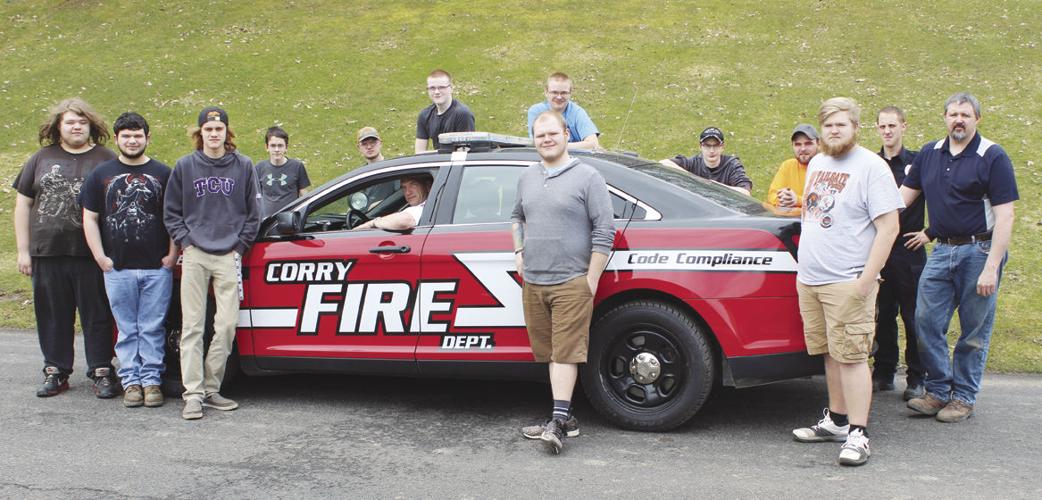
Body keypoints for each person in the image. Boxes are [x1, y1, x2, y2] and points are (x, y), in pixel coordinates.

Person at [791, 97, 902, 467]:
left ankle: (858, 433)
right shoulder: (818, 162)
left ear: (855, 127)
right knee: (830, 353)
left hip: (848, 280)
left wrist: (865, 281)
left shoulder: (872, 167)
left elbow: (889, 228)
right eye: (828, 125)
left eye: (841, 124)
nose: (834, 130)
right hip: (812, 279)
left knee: (852, 357)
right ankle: (837, 421)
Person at [901, 92, 1018, 423]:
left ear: (977, 119)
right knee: (925, 319)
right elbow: (901, 200)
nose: (959, 120)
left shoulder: (992, 156)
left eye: (965, 115)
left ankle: (963, 397)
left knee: (973, 329)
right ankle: (938, 391)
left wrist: (991, 268)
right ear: (944, 117)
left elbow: (1005, 216)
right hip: (941, 250)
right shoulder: (929, 153)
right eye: (953, 114)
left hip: (980, 251)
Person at [512, 111, 615, 455]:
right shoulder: (526, 177)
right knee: (549, 353)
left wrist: (591, 280)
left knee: (564, 354)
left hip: (572, 281)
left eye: (552, 133)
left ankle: (555, 423)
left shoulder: (588, 176)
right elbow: (516, 216)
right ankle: (567, 418)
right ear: (534, 138)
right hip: (535, 282)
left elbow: (604, 230)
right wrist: (518, 249)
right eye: (540, 135)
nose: (546, 140)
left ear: (566, 134)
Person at [12, 97, 119, 399]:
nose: (76, 126)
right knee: (52, 314)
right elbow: (23, 204)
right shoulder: (40, 159)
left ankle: (102, 370)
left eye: (82, 122)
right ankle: (55, 371)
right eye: (70, 121)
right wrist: (23, 250)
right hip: (47, 251)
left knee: (97, 314)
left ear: (91, 126)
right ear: (59, 126)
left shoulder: (105, 159)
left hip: (92, 254)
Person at [164, 106, 261, 420]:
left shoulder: (244, 166)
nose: (214, 134)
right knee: (192, 326)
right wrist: (186, 241)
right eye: (208, 129)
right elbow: (172, 212)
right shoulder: (185, 166)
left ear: (227, 133)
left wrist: (239, 246)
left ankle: (211, 388)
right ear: (200, 133)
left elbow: (253, 213)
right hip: (194, 254)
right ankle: (192, 395)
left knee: (227, 325)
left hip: (229, 253)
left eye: (219, 129)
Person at [80, 112, 176, 408]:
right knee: (126, 327)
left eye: (137, 135)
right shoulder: (101, 174)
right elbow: (90, 218)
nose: (132, 140)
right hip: (117, 267)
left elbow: (174, 218)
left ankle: (151, 381)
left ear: (147, 137)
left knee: (152, 326)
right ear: (117, 138)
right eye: (126, 136)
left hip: (155, 268)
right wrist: (100, 257)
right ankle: (131, 381)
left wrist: (172, 255)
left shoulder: (164, 173)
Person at [871, 106, 926, 400]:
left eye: (893, 125)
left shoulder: (917, 164)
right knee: (883, 314)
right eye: (883, 126)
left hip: (909, 251)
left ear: (904, 126)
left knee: (913, 316)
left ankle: (917, 378)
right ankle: (883, 372)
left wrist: (932, 232)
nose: (888, 131)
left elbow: (942, 197)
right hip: (879, 249)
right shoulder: (871, 164)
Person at [660, 127, 752, 195]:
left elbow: (745, 192)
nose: (711, 151)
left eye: (715, 146)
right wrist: (695, 179)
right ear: (700, 147)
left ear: (722, 147)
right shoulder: (694, 162)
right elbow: (663, 163)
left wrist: (714, 186)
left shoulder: (732, 165)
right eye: (707, 146)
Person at [526, 72, 601, 150]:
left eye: (563, 93)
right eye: (554, 92)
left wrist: (558, 147)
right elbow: (537, 143)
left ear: (570, 93)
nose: (559, 97)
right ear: (546, 92)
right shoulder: (536, 111)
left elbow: (593, 143)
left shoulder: (577, 112)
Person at [255, 126, 310, 218]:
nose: (276, 150)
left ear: (286, 147)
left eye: (280, 145)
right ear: (267, 147)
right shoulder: (259, 167)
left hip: (290, 220)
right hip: (266, 222)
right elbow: (256, 196)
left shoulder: (297, 166)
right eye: (273, 146)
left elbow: (304, 195)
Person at [414, 69, 475, 153]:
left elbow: (464, 151)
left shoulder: (462, 114)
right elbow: (419, 153)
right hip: (439, 163)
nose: (436, 92)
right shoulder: (425, 115)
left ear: (451, 88)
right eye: (432, 88)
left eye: (441, 87)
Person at [766, 124, 819, 216]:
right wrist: (784, 199)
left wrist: (797, 200)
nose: (802, 149)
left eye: (808, 143)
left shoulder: (825, 167)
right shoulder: (788, 165)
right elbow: (772, 195)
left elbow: (824, 204)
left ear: (819, 144)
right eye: (798, 144)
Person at [352, 174, 431, 231]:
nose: (407, 192)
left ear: (427, 186)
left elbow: (403, 222)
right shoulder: (434, 205)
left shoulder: (422, 208)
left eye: (413, 185)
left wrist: (372, 223)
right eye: (404, 187)